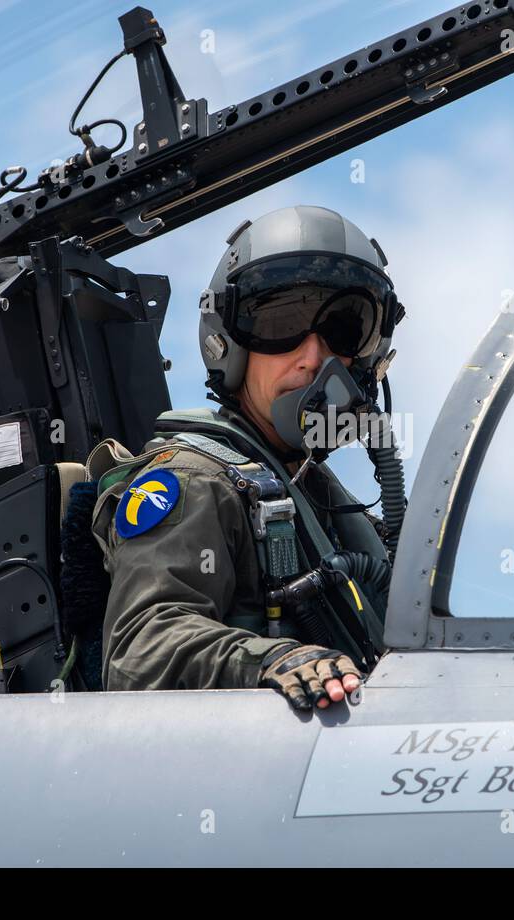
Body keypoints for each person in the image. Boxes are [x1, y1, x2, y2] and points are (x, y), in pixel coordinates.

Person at [89, 205, 406, 710]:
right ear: (229, 345)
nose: (313, 356)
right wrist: (269, 661)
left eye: (344, 329)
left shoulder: (321, 499)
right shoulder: (195, 479)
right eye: (281, 323)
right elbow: (140, 651)